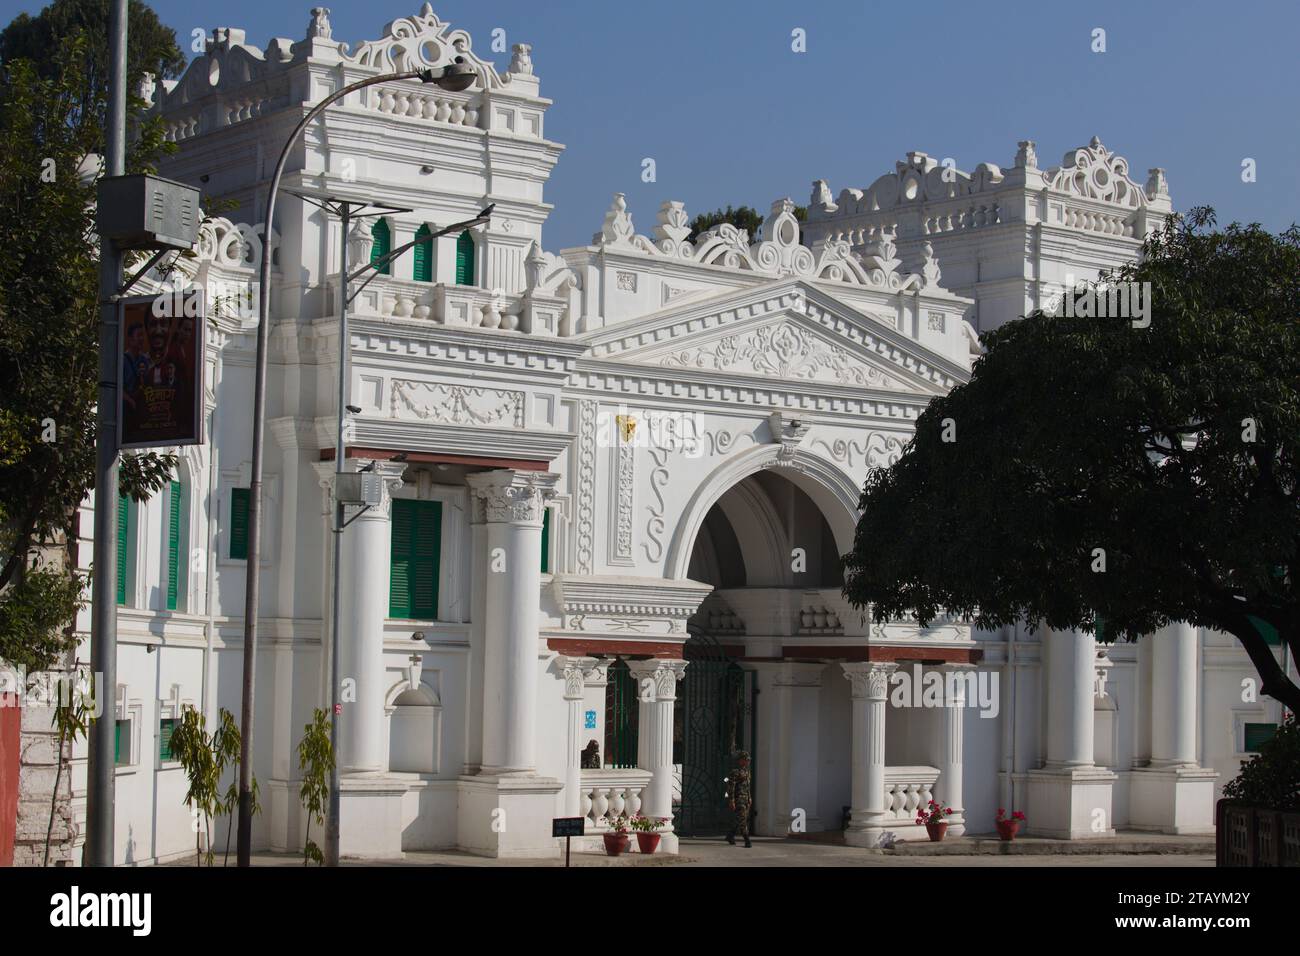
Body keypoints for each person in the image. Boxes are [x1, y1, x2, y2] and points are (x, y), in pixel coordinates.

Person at [725, 750, 752, 847]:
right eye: (745, 760)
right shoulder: (735, 772)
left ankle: (730, 835)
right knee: (742, 819)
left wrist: (749, 798)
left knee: (739, 819)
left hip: (745, 800)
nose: (747, 762)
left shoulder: (747, 772)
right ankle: (747, 839)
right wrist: (731, 800)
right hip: (738, 799)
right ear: (740, 760)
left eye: (748, 760)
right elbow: (731, 787)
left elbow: (748, 786)